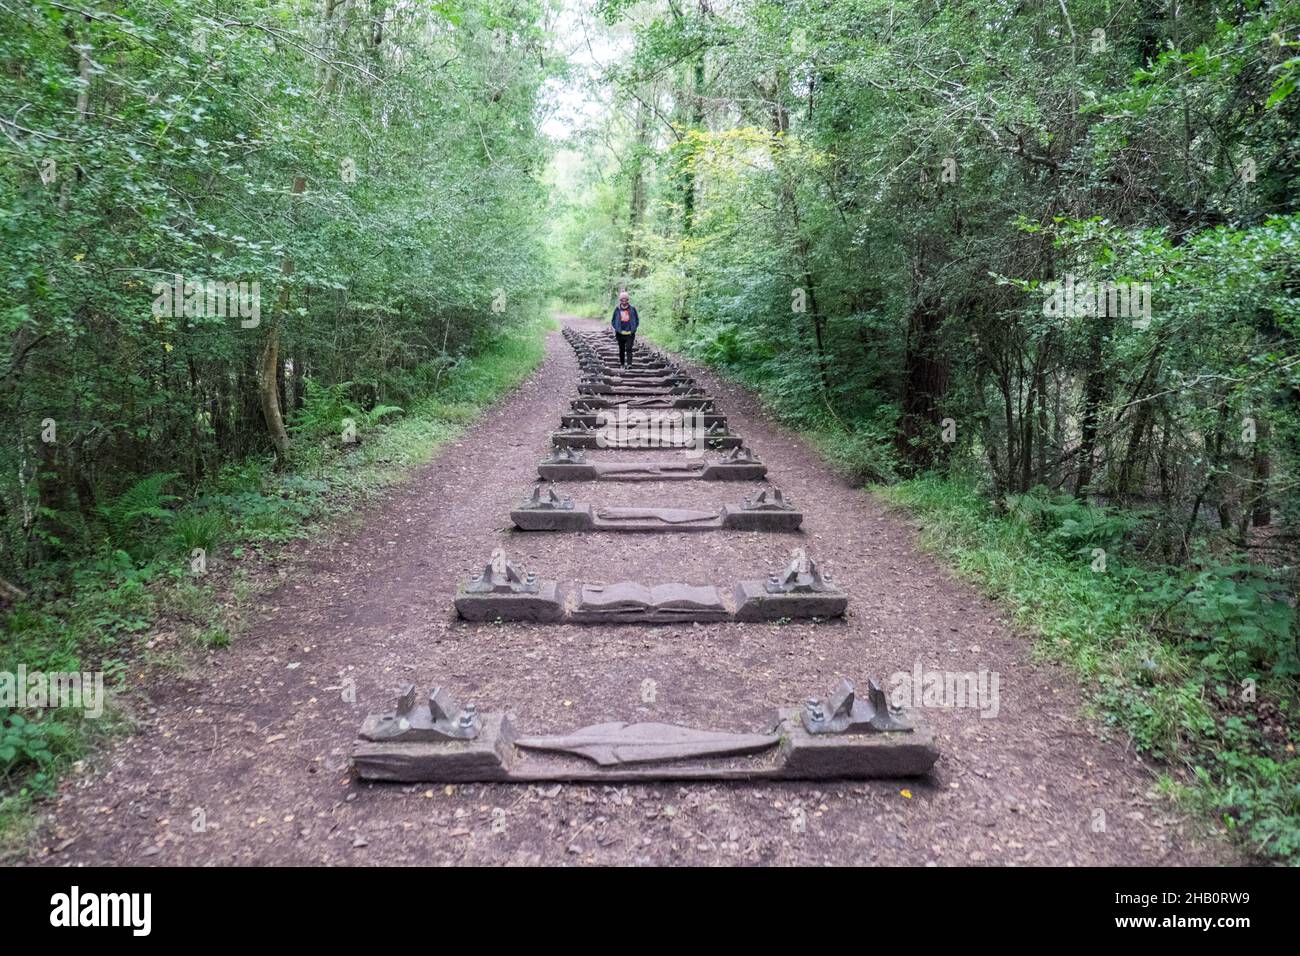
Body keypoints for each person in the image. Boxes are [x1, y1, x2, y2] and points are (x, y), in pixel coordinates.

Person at [611, 290, 639, 367]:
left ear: (627, 300)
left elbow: (637, 320)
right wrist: (617, 328)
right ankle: (622, 364)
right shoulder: (617, 309)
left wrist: (634, 328)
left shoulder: (632, 309)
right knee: (622, 349)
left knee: (629, 348)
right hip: (620, 333)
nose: (624, 301)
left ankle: (629, 364)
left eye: (625, 299)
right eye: (622, 299)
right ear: (620, 300)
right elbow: (613, 320)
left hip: (630, 333)